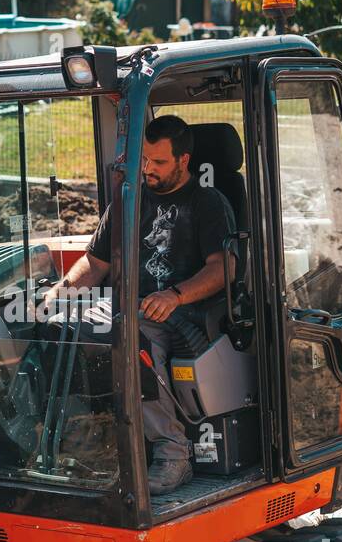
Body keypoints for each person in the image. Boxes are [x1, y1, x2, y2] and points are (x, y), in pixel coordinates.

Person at [40, 115, 235, 496]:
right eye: (144, 160)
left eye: (159, 162)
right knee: (55, 327)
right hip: (125, 306)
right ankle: (79, 442)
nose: (148, 169)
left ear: (184, 160)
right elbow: (96, 263)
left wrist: (174, 295)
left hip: (180, 314)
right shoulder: (129, 201)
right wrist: (60, 293)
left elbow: (223, 268)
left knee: (131, 338)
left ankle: (174, 454)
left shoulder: (208, 203)